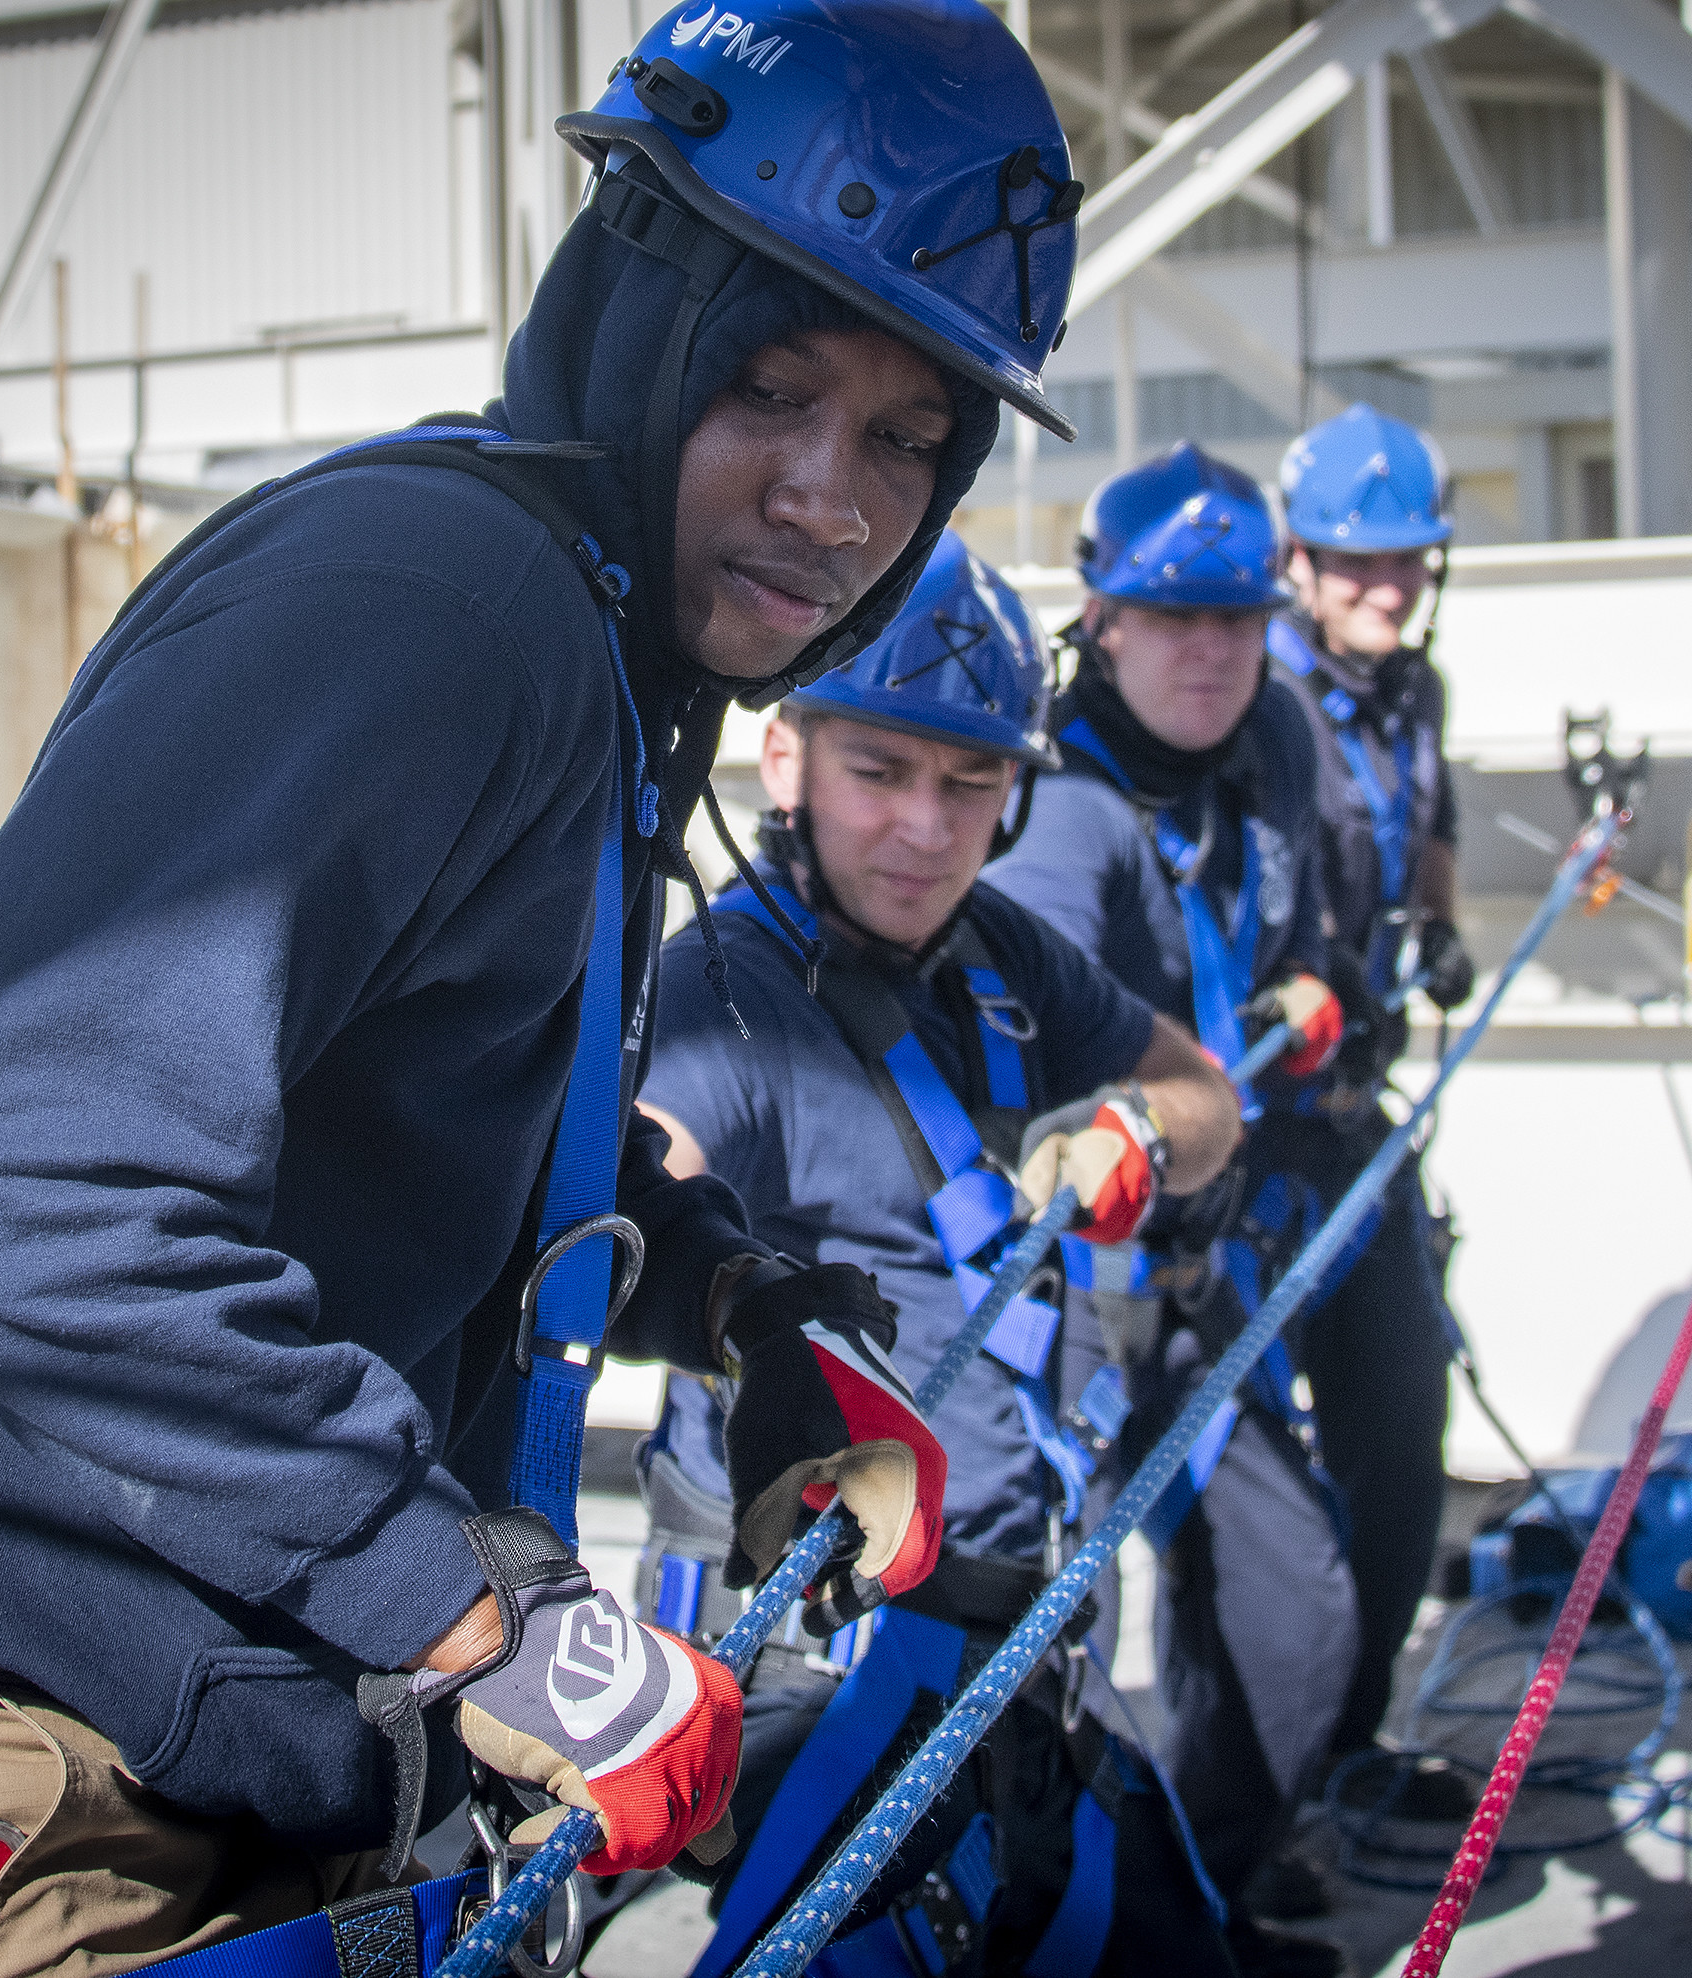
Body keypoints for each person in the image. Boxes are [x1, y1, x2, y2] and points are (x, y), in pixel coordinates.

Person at [0, 6, 1082, 1970]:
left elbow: (452, 1113)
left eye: (907, 438)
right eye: (770, 385)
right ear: (636, 321)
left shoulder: (600, 642)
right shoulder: (437, 609)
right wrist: (472, 1609)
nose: (832, 498)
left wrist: (739, 1305)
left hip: (192, 1717)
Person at [627, 532, 1248, 1973]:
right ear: (786, 758)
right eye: (881, 771)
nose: (926, 827)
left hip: (1019, 1627)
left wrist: (1142, 1130)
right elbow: (640, 1182)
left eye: (972, 783)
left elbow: (1208, 1096)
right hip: (832, 1660)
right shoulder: (723, 993)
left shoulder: (1004, 957)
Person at [983, 442, 1356, 1978]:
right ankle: (1085, 1931)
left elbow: (1308, 908)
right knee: (1052, 1642)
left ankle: (1199, 1892)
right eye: (1172, 619)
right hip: (1067, 1284)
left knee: (1298, 1618)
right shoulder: (1057, 804)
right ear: (1105, 620)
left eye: (1238, 621)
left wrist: (1315, 991)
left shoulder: (1273, 748)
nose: (1210, 650)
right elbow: (1031, 1047)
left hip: (1211, 1257)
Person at [1266, 402, 1480, 1825]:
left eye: (1408, 562)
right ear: (1299, 561)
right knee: (1253, 1506)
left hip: (1361, 1125)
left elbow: (1432, 822)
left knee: (1401, 1444)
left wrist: (1440, 925)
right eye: (1359, 563)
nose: (1387, 589)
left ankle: (1347, 1743)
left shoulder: (1415, 692)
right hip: (1255, 1138)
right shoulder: (1257, 704)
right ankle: (1246, 1802)